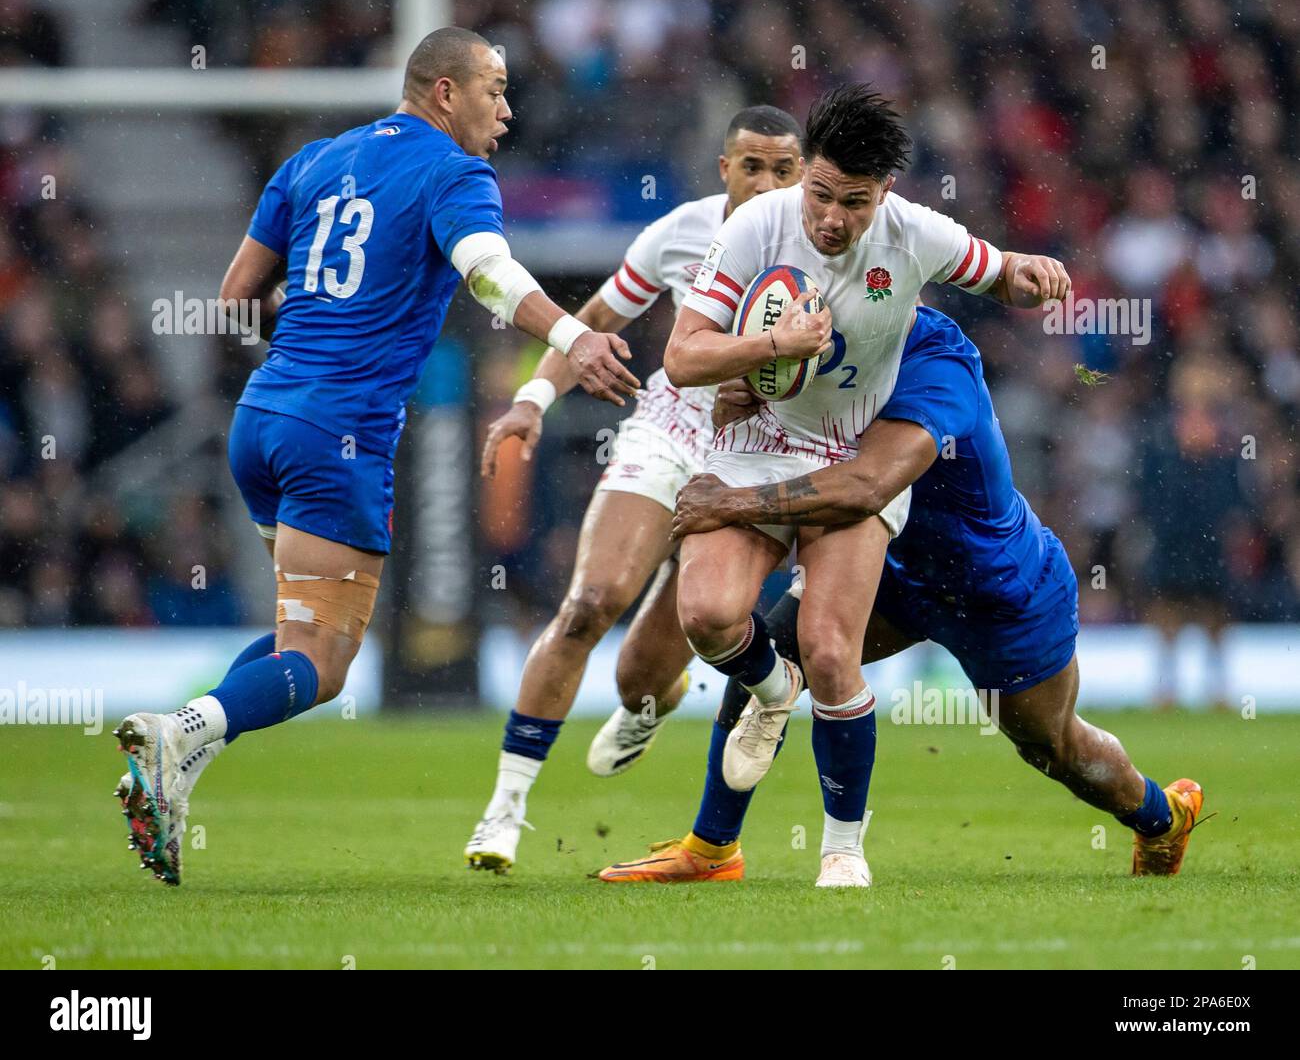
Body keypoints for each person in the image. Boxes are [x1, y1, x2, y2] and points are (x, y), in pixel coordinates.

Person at [113, 26, 638, 885]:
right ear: (443, 93)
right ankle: (179, 734)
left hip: (263, 419)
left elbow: (236, 296)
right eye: (493, 90)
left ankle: (177, 765)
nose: (505, 110)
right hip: (338, 435)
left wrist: (320, 327)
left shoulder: (315, 160)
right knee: (322, 667)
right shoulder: (454, 172)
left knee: (296, 637)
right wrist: (576, 336)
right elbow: (488, 270)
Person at [598, 309, 1203, 886]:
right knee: (777, 657)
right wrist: (746, 402)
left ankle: (1160, 816)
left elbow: (865, 486)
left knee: (1053, 747)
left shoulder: (939, 363)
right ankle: (712, 848)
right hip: (899, 572)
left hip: (999, 591)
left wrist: (733, 503)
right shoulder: (824, 345)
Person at [659, 83, 1071, 886]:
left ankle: (843, 850)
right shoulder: (756, 225)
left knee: (830, 649)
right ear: (803, 175)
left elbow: (1000, 272)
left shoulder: (915, 235)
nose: (831, 218)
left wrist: (1034, 274)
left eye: (853, 202)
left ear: (884, 193)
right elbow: (683, 357)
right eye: (819, 193)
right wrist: (769, 345)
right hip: (755, 441)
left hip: (846, 453)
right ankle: (772, 692)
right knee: (708, 617)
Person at [465, 106, 805, 872]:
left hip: (755, 456)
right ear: (724, 170)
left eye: (783, 169)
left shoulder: (824, 244)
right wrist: (533, 400)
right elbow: (590, 319)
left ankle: (648, 702)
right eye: (751, 166)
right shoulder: (681, 230)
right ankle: (504, 810)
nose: (767, 182)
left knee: (639, 678)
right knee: (589, 604)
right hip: (670, 429)